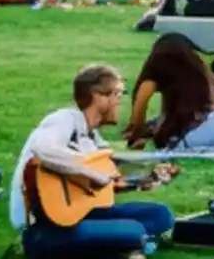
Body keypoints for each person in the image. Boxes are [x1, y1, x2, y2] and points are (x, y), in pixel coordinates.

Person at [10, 65, 173, 258]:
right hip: (45, 226)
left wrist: (143, 180)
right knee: (133, 230)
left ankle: (117, 246)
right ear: (97, 96)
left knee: (160, 215)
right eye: (117, 94)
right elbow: (43, 149)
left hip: (81, 213)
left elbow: (96, 186)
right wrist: (92, 174)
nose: (119, 103)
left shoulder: (93, 138)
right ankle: (123, 247)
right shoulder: (64, 119)